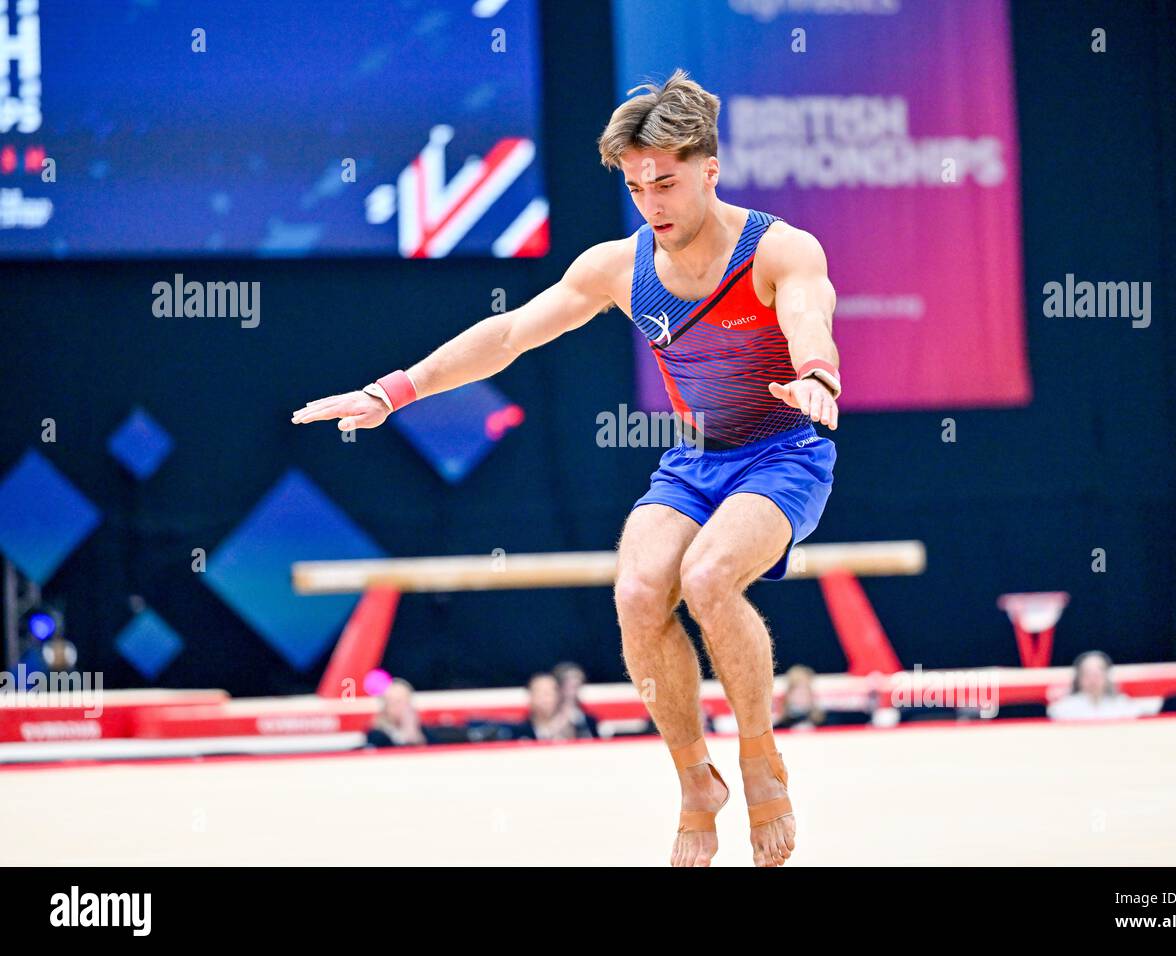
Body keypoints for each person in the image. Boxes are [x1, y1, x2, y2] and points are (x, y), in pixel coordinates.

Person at [292, 69, 841, 867]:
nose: (652, 202)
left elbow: (806, 312)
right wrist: (393, 390)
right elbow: (508, 334)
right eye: (636, 184)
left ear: (710, 170)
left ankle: (758, 754)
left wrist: (817, 372)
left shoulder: (780, 248)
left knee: (711, 578)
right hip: (696, 461)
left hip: (786, 450)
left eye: (668, 181)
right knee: (639, 588)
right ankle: (696, 779)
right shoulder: (618, 266)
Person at [1047, 650, 1142, 721]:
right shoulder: (1063, 708)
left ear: (1107, 676)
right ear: (1079, 677)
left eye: (1097, 674)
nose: (1093, 679)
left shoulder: (1123, 706)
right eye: (1087, 674)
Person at [366, 678, 430, 748]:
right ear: (385, 707)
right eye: (395, 703)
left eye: (405, 702)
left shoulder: (422, 731)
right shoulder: (376, 735)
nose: (401, 708)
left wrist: (416, 735)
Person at [553, 662, 601, 739]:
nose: (572, 691)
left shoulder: (588, 719)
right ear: (559, 686)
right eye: (569, 686)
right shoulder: (548, 716)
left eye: (576, 686)